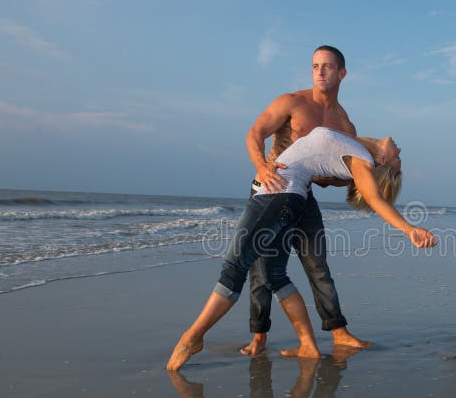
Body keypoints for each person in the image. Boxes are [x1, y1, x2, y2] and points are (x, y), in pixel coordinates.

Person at [166, 127, 437, 371]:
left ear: (383, 163)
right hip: (286, 197)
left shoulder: (362, 162)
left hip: (278, 196)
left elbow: (375, 198)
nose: (400, 150)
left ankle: (192, 338)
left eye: (398, 159)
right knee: (274, 276)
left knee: (235, 266)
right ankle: (308, 345)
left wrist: (409, 229)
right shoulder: (358, 144)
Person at [241, 45, 365, 357]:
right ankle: (259, 336)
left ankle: (339, 331)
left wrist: (359, 177)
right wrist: (261, 167)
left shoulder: (345, 125)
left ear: (342, 73)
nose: (320, 71)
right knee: (262, 269)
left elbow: (327, 178)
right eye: (315, 66)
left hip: (304, 197)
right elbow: (255, 133)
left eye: (327, 66)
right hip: (271, 191)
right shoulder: (292, 102)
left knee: (317, 265)